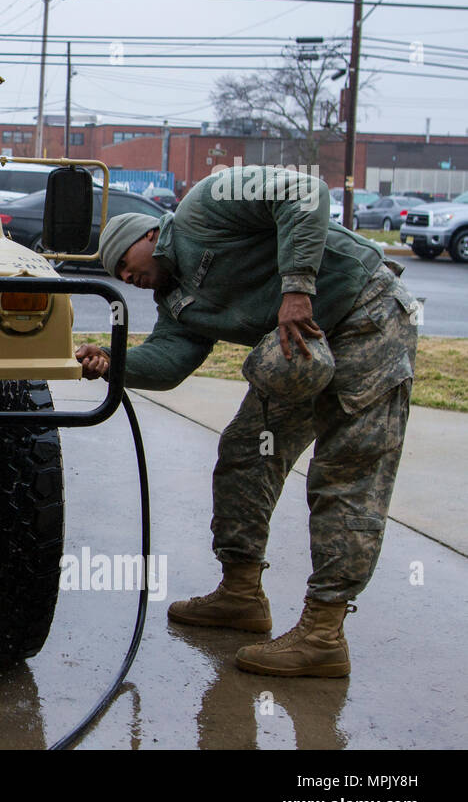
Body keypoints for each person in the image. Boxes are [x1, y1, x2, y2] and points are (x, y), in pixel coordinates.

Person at [76, 165, 418, 677]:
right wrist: (110, 361)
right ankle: (241, 594)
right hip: (301, 349)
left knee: (347, 472)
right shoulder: (177, 303)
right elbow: (168, 364)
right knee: (245, 453)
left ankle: (323, 633)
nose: (126, 279)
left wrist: (296, 288)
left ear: (150, 235)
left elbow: (305, 191)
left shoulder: (207, 202)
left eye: (124, 263)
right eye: (120, 278)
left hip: (367, 313)